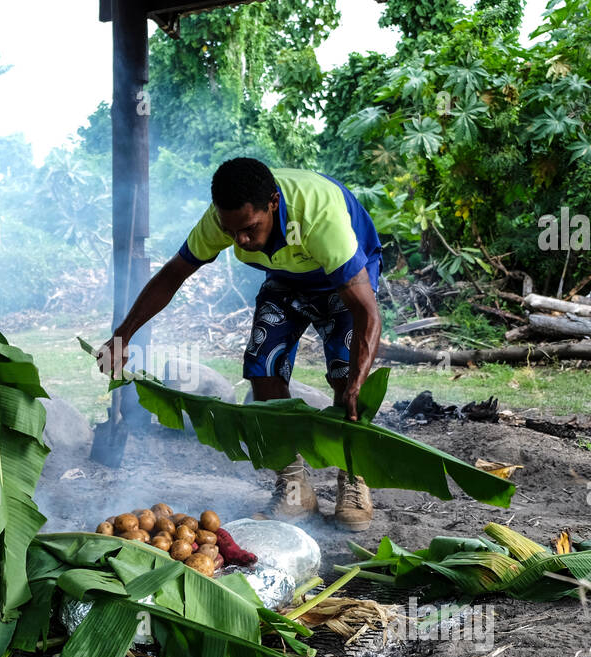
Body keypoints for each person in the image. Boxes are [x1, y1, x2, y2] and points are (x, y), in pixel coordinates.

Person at [99, 157, 384, 531]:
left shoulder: (318, 216)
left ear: (273, 203)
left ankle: (354, 480)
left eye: (250, 229)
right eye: (232, 232)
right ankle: (296, 492)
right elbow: (172, 276)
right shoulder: (222, 221)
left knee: (346, 375)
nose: (242, 241)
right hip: (286, 278)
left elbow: (368, 313)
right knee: (263, 366)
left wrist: (359, 379)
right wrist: (123, 336)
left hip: (343, 279)